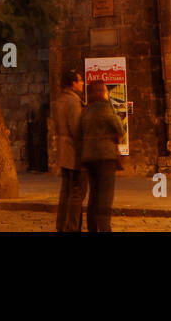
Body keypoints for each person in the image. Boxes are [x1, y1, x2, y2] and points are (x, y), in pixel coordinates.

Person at [81, 80, 124, 232]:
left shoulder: (86, 110)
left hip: (89, 157)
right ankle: (105, 227)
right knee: (105, 195)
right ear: (102, 92)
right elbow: (119, 128)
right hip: (105, 157)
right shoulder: (105, 108)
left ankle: (92, 227)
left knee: (94, 193)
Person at [53, 68, 87, 231]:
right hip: (73, 152)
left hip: (63, 151)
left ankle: (62, 225)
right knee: (76, 192)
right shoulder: (73, 102)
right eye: (80, 80)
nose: (82, 83)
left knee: (66, 191)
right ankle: (72, 227)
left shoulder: (59, 100)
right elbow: (76, 129)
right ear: (73, 83)